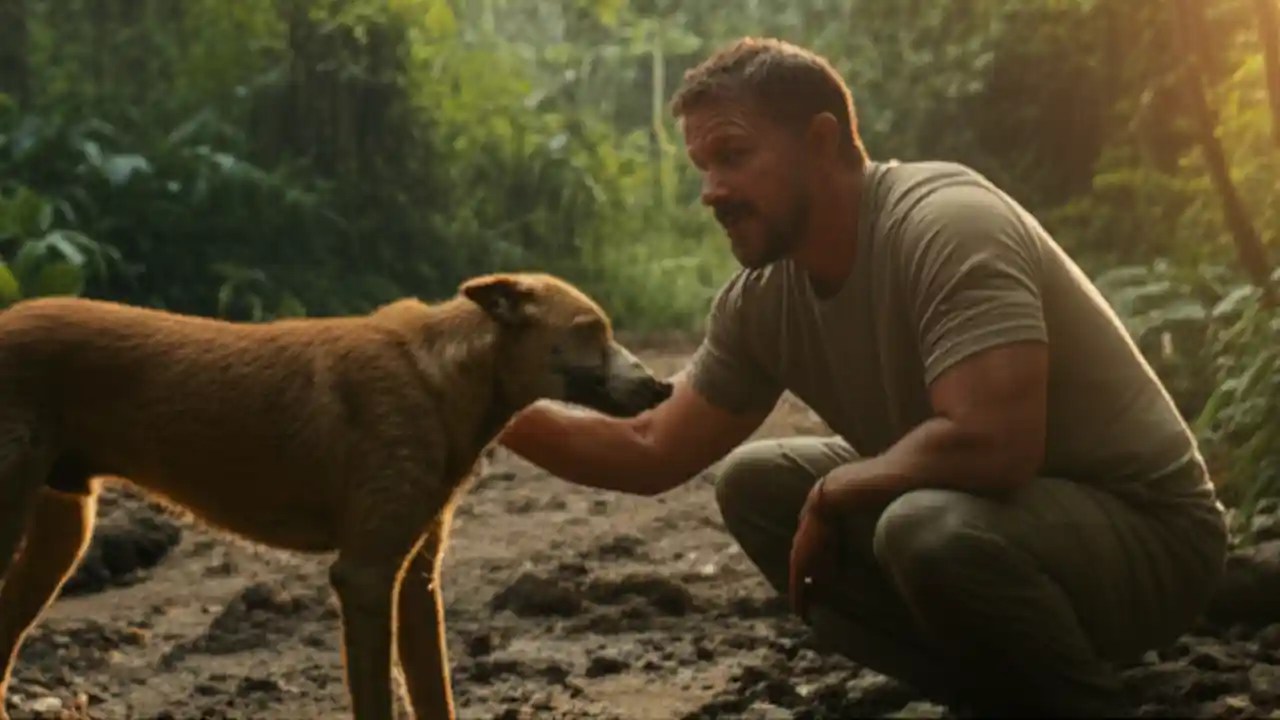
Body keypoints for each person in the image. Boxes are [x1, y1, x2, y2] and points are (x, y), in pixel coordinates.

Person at [498, 36, 1228, 717]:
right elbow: (650, 446)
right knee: (753, 486)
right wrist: (479, 399)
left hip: (1149, 538)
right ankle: (992, 694)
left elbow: (996, 443)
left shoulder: (946, 223)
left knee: (923, 529)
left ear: (820, 143)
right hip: (1007, 522)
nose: (711, 191)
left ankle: (1078, 705)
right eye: (704, 168)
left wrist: (836, 491)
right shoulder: (765, 298)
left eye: (733, 156)